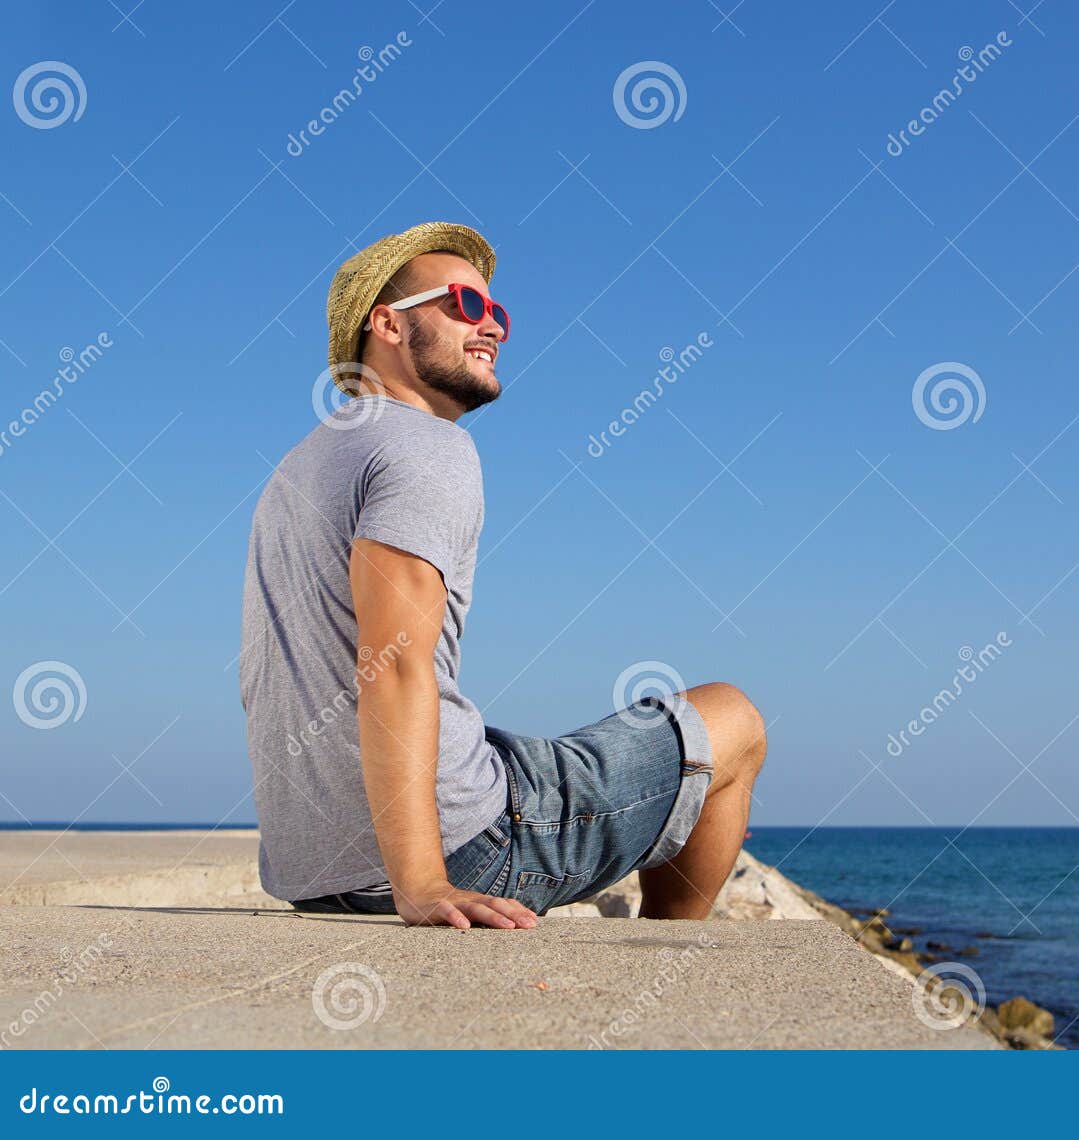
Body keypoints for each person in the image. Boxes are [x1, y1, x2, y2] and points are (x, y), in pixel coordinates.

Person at [239, 221, 765, 928]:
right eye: (462, 303)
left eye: (497, 312)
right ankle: (670, 955)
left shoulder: (300, 468)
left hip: (312, 872)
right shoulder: (426, 446)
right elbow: (391, 665)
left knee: (528, 749)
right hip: (460, 849)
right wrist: (422, 882)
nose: (491, 326)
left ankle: (657, 839)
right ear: (387, 324)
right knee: (733, 718)